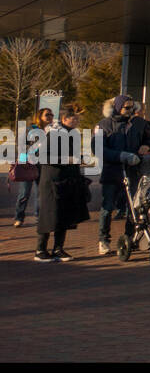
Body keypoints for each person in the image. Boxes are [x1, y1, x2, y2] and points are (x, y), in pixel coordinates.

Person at [35, 104, 90, 261]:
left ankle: (58, 249)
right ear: (65, 119)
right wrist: (68, 160)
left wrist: (80, 159)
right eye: (75, 118)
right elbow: (42, 157)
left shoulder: (71, 134)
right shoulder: (53, 135)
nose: (77, 121)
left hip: (67, 180)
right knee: (49, 214)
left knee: (64, 215)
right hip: (52, 181)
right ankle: (40, 250)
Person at [97, 94, 149, 255]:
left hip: (133, 171)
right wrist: (120, 156)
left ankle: (129, 238)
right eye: (127, 107)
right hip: (112, 172)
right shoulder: (104, 125)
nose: (130, 111)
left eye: (132, 107)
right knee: (107, 207)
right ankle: (103, 240)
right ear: (118, 108)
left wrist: (147, 145)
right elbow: (98, 148)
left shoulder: (137, 124)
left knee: (132, 207)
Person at [11, 106, 53, 227]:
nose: (50, 117)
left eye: (51, 115)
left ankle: (39, 216)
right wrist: (23, 161)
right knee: (24, 192)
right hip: (29, 164)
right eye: (47, 114)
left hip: (44, 165)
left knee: (41, 192)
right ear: (40, 116)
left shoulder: (51, 130)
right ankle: (19, 217)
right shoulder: (31, 129)